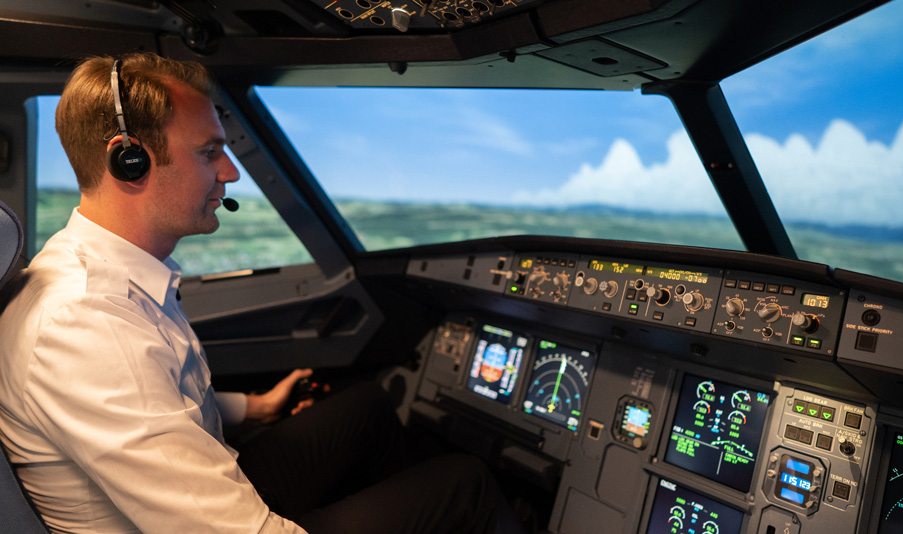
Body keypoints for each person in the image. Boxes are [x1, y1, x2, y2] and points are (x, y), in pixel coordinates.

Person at [0, 52, 521, 534]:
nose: (231, 172)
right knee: (464, 486)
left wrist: (254, 407)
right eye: (209, 152)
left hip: (178, 497)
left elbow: (152, 399)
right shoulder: (86, 323)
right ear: (128, 160)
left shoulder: (100, 275)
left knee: (366, 407)